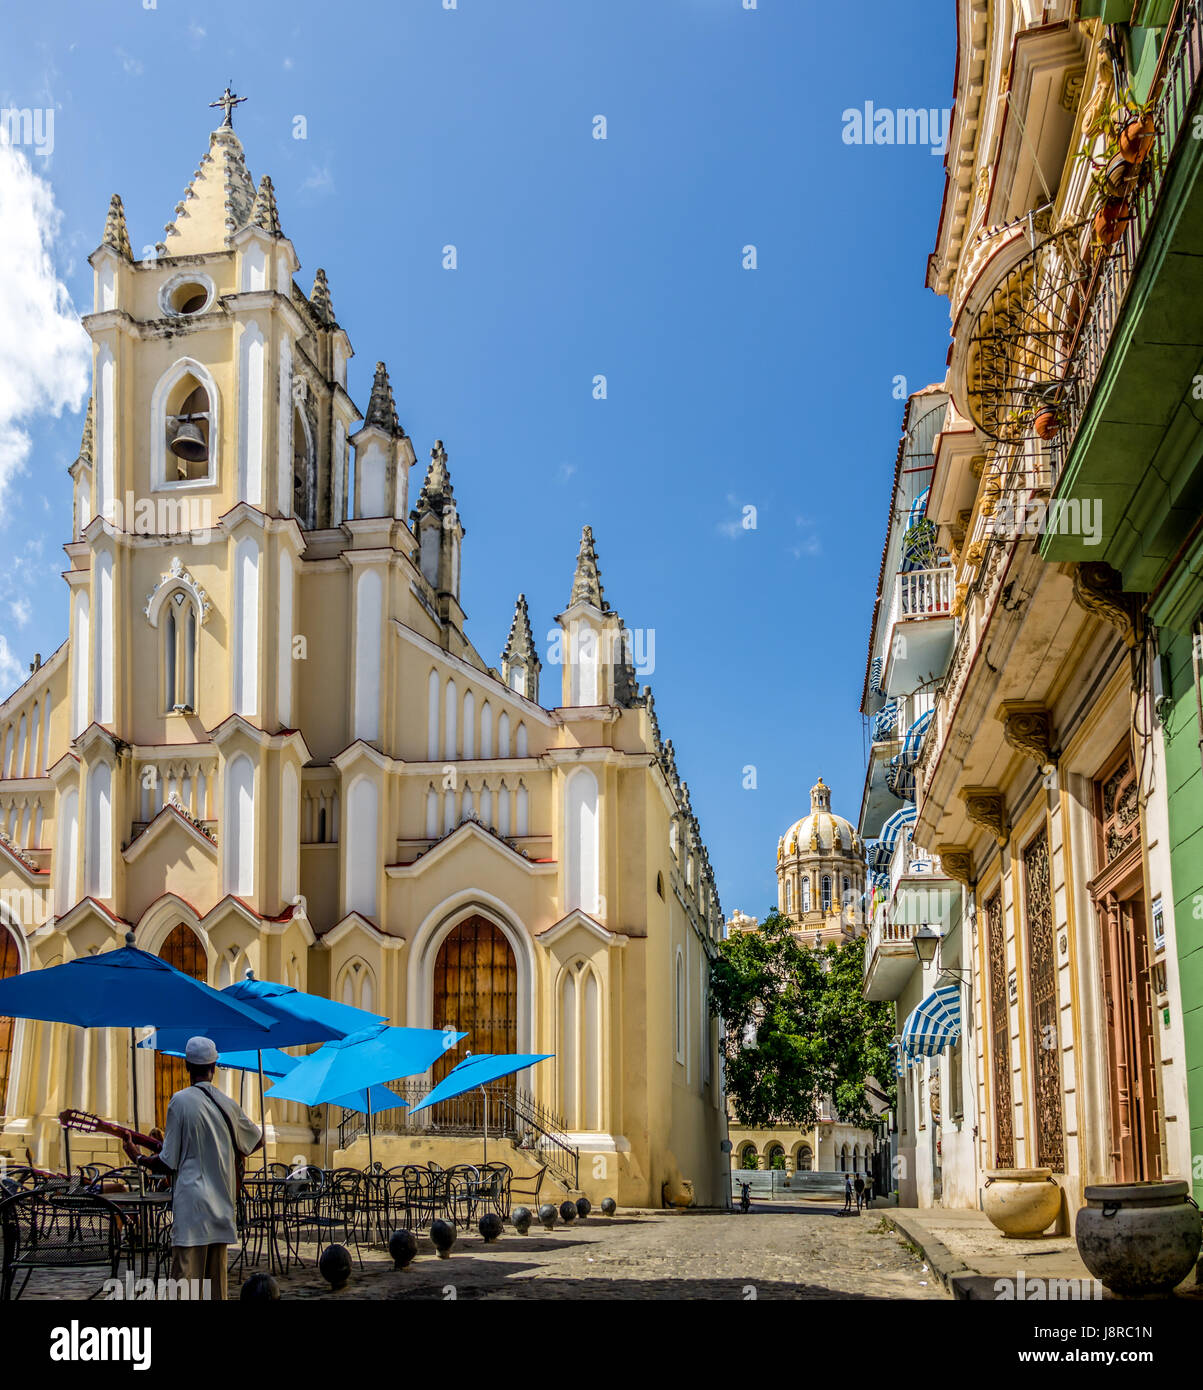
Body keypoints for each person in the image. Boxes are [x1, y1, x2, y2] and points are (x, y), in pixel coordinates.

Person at [139, 1036, 262, 1300]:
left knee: (185, 1285)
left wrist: (138, 1158)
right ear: (214, 1067)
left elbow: (166, 1160)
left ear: (186, 1066)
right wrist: (231, 1153)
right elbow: (257, 1139)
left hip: (192, 1208)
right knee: (215, 1286)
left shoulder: (180, 1101)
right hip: (221, 1205)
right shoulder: (228, 1104)